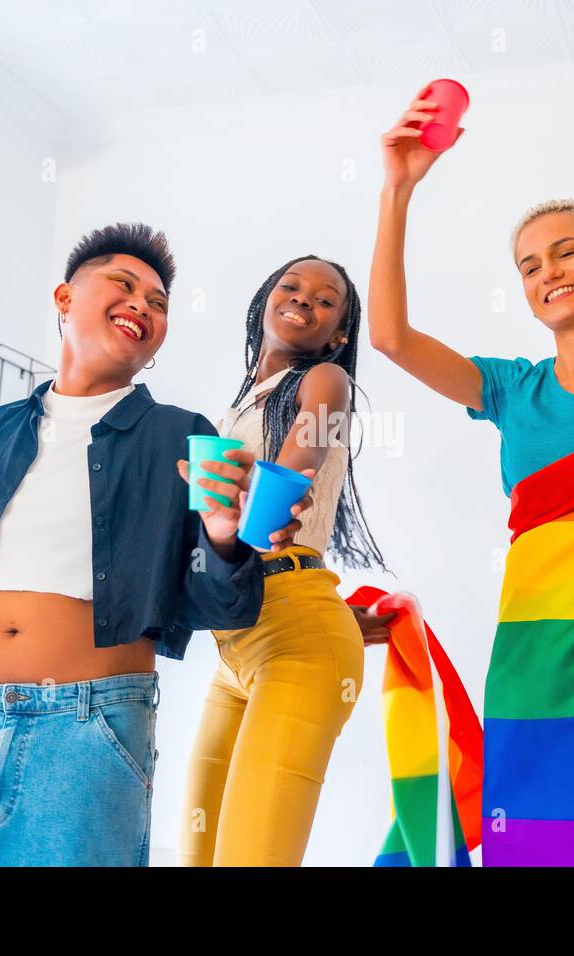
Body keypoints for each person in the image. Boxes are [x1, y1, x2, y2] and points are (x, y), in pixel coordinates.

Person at [0, 222, 313, 866]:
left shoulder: (183, 437)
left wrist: (222, 536)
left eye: (158, 303)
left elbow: (223, 607)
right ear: (65, 300)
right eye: (124, 286)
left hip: (90, 736)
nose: (143, 306)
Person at [367, 92, 574, 865]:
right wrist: (398, 188)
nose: (547, 272)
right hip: (537, 676)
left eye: (564, 251)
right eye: (529, 266)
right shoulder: (512, 391)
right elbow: (388, 336)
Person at [178, 254, 390, 866]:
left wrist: (246, 506)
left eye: (327, 300)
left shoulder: (325, 381)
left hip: (295, 637)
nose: (305, 299)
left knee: (251, 856)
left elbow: (287, 483)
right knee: (196, 852)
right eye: (291, 286)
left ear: (340, 333)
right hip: (235, 644)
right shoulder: (239, 406)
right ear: (265, 299)